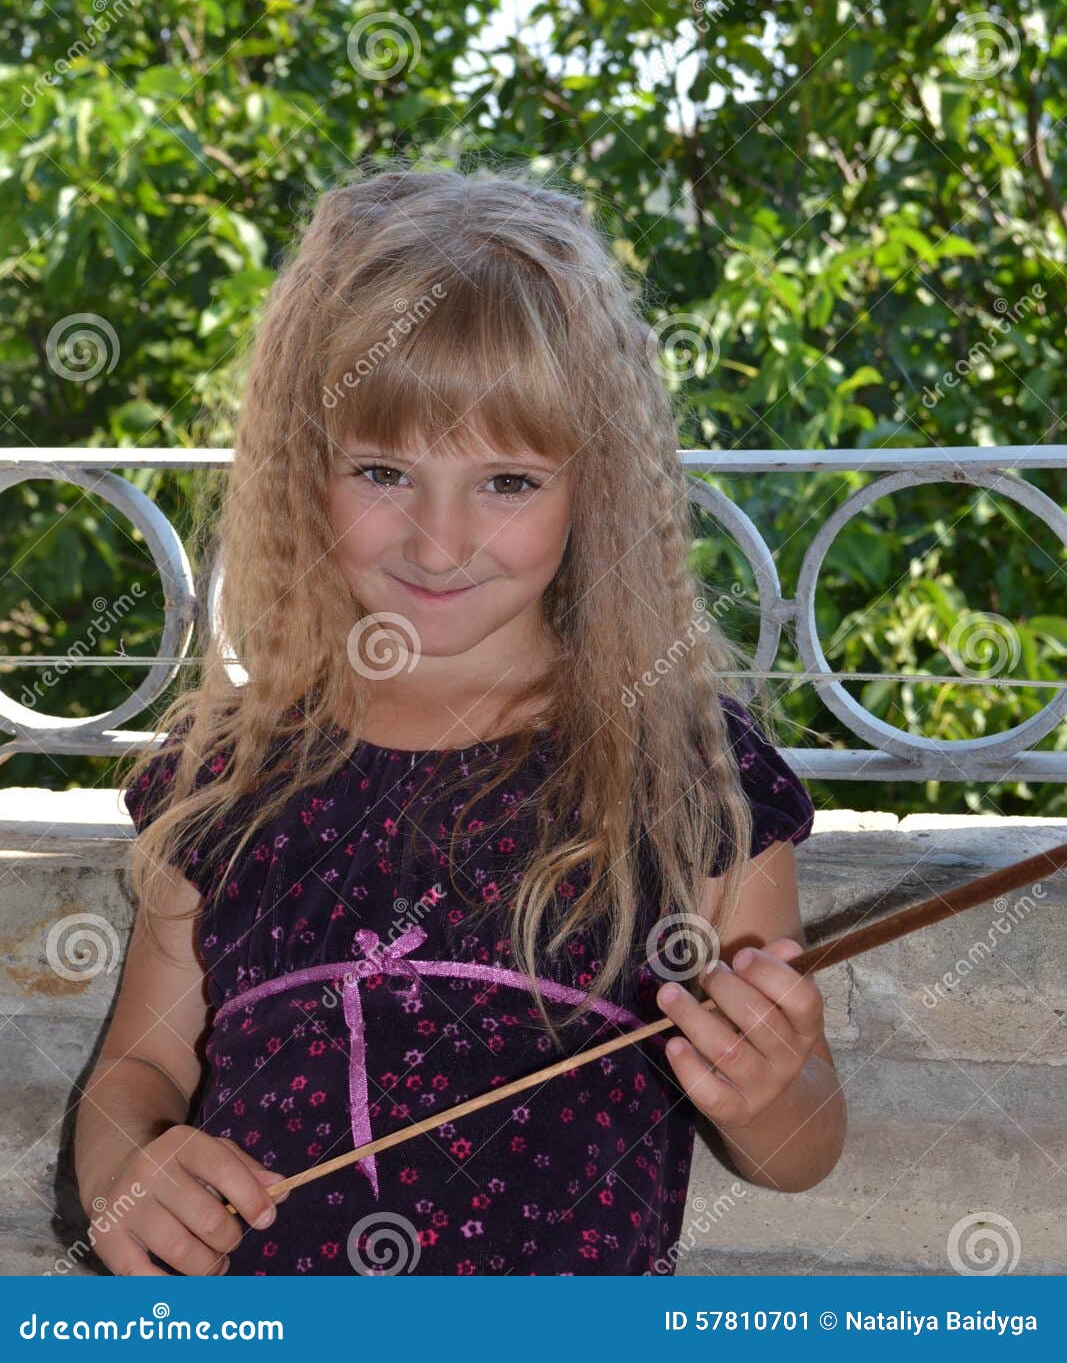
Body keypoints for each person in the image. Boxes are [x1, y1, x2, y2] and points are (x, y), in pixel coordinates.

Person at [73, 163, 846, 1278]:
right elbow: (134, 1074)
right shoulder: (228, 774)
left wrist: (776, 1082)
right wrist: (121, 1171)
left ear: (596, 488)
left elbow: (796, 1150)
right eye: (384, 470)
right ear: (305, 468)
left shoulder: (682, 771)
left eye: (509, 482)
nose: (438, 543)